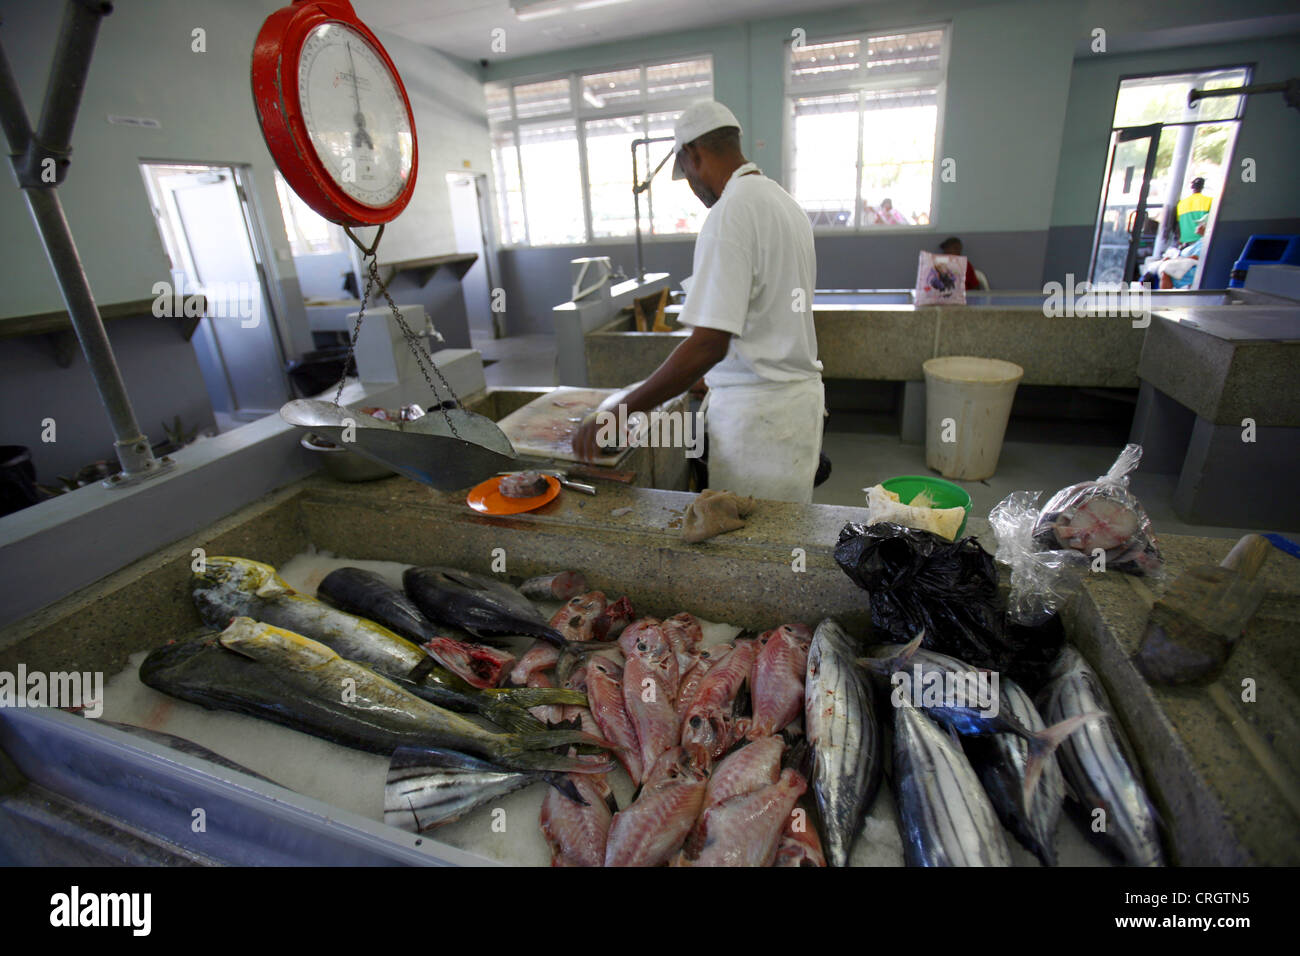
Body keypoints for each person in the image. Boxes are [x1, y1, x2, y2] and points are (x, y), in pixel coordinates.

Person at [572, 100, 824, 504]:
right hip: (792, 412)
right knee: (779, 546)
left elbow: (709, 342)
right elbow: (766, 317)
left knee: (744, 551)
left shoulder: (730, 214)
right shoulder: (784, 205)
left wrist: (619, 411)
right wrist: (722, 372)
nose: (690, 184)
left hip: (757, 426)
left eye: (685, 173)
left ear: (692, 154)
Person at [1176, 177, 1212, 244]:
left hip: (1185, 240)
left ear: (1192, 187)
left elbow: (1179, 225)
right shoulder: (1209, 201)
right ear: (1202, 187)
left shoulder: (1181, 204)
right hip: (1200, 240)